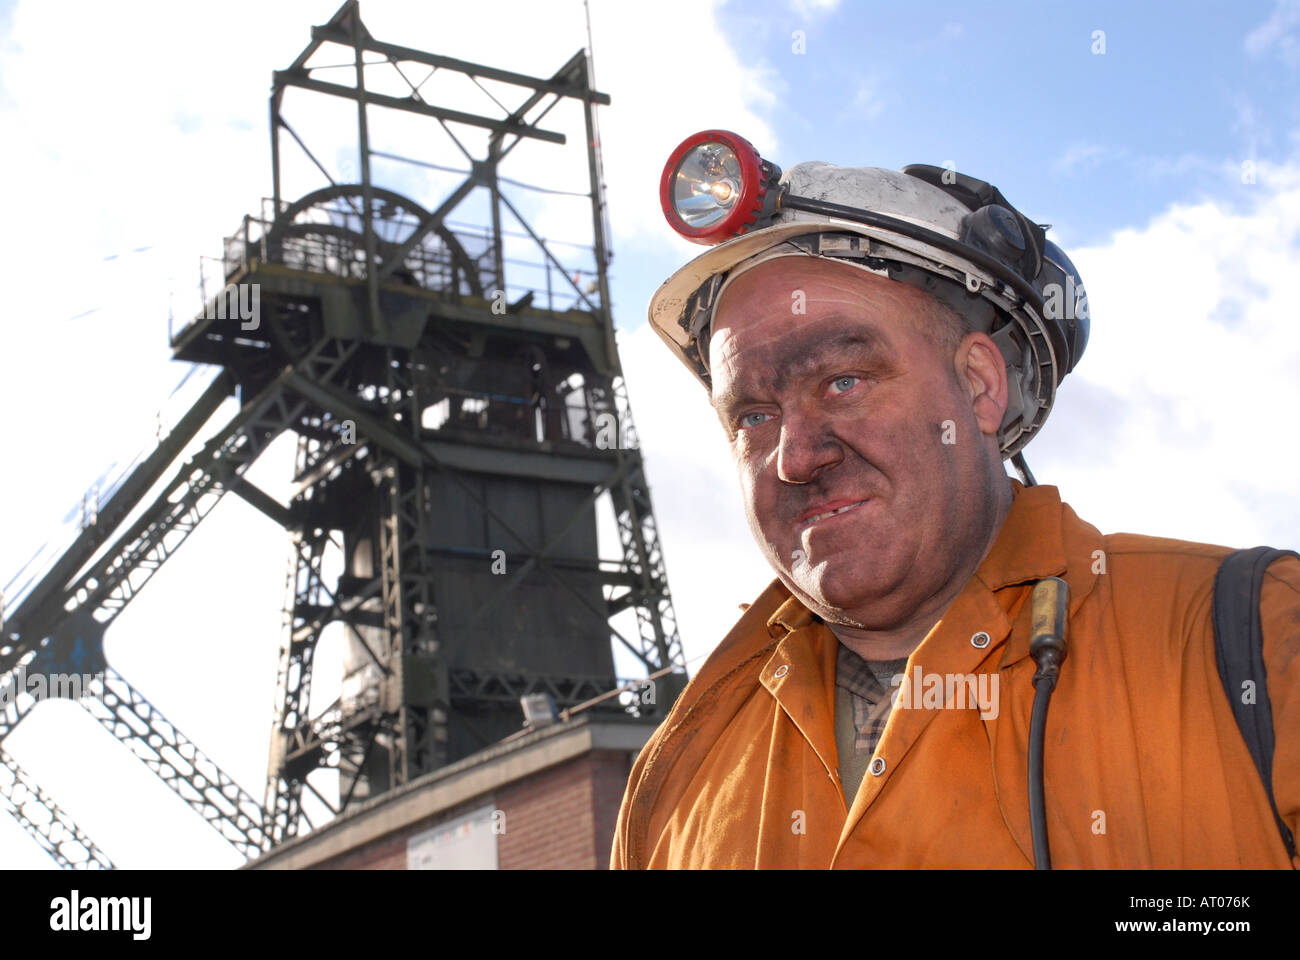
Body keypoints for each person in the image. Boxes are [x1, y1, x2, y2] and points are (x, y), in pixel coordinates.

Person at [609, 131, 1299, 869]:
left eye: (843, 381)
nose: (796, 456)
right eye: (753, 416)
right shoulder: (679, 780)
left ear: (979, 385)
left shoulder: (1252, 639)